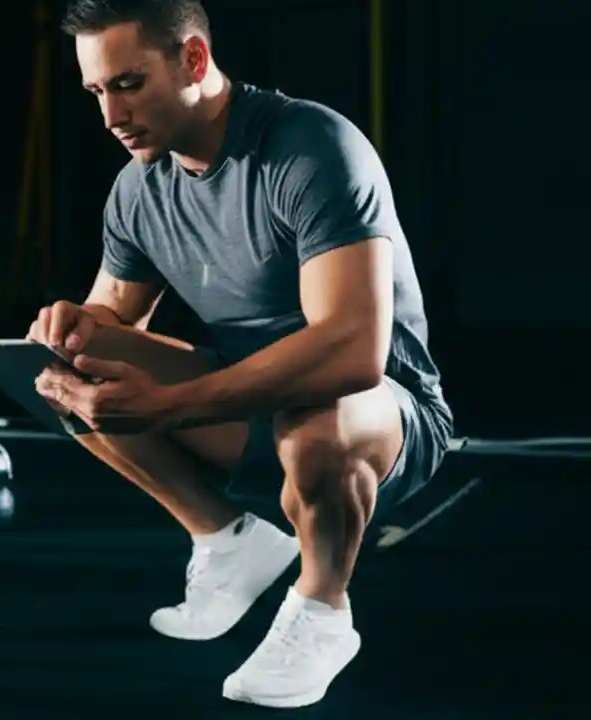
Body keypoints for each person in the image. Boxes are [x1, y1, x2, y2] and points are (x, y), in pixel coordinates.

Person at [26, 0, 454, 709]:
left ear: (193, 60)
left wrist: (171, 404)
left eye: (128, 84)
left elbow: (353, 352)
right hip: (253, 404)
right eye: (97, 92)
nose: (110, 115)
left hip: (384, 416)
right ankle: (227, 540)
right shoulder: (139, 188)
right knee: (67, 368)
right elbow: (108, 315)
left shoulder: (310, 145)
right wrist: (76, 325)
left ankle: (322, 612)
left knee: (319, 422)